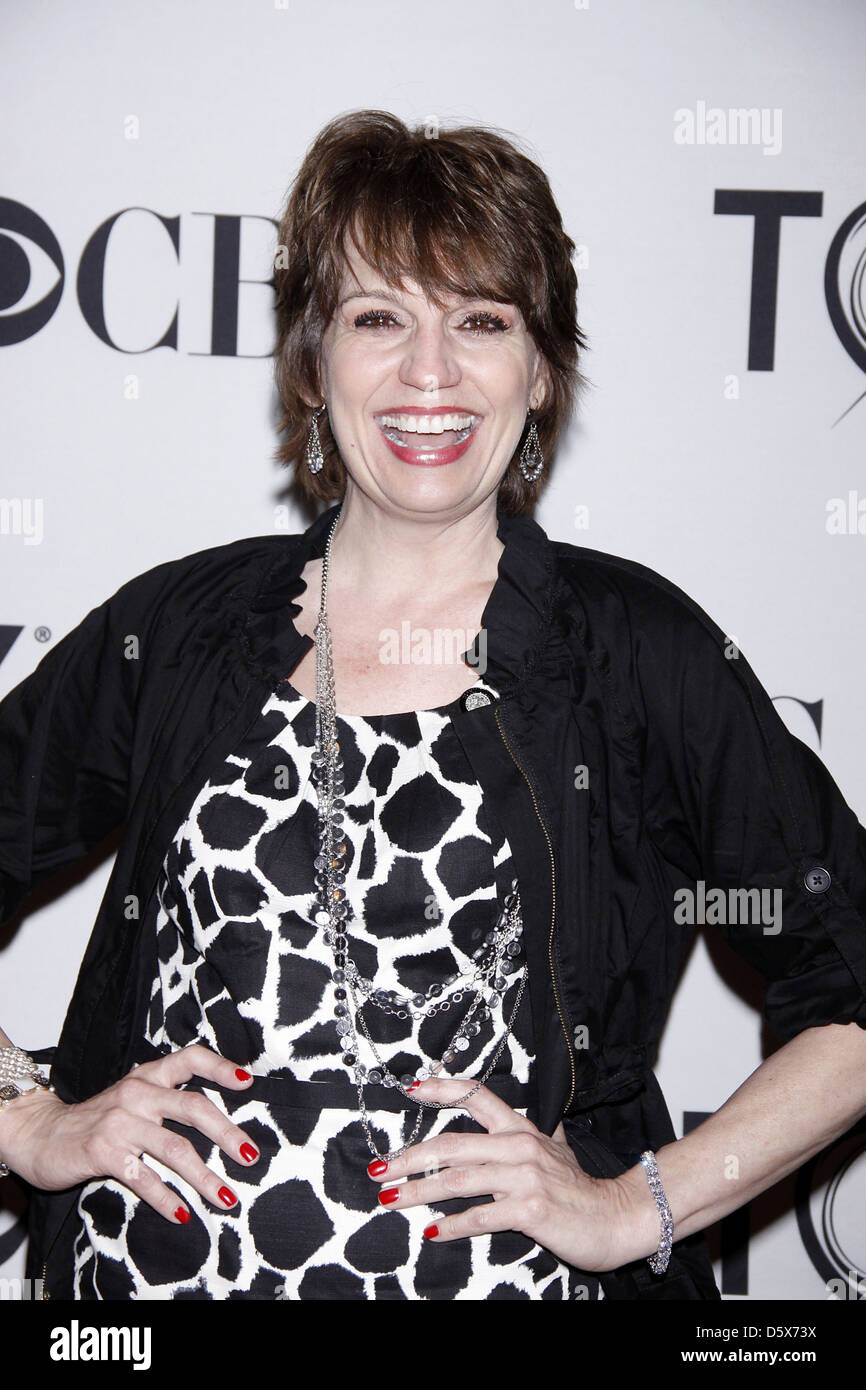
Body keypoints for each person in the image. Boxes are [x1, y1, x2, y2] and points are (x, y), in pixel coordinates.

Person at [1, 109, 865, 1303]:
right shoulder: (178, 632)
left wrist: (635, 1206)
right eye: (376, 318)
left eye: (480, 321)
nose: (428, 372)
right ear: (312, 360)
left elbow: (850, 984)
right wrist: (28, 1118)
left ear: (541, 365)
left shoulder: (633, 653)